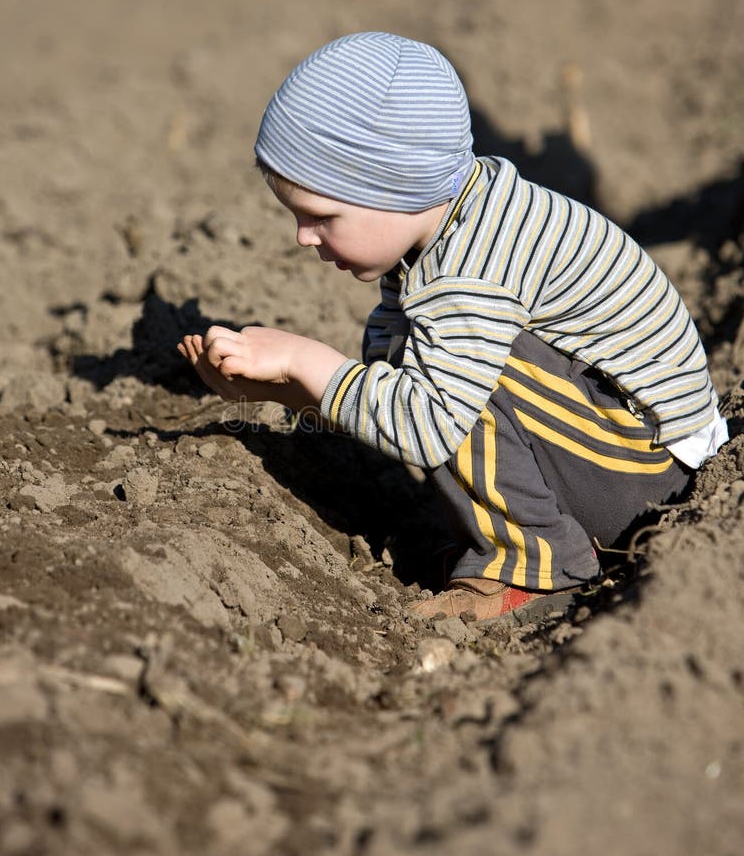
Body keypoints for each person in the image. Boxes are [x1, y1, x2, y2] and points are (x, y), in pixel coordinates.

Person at [178, 32, 728, 623]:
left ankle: (542, 563)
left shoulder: (472, 273)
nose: (303, 238)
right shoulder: (454, 219)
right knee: (408, 356)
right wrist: (274, 388)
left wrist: (306, 360)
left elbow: (430, 423)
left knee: (452, 383)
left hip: (646, 485)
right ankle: (522, 536)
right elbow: (392, 382)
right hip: (616, 454)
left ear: (395, 185)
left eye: (321, 216)